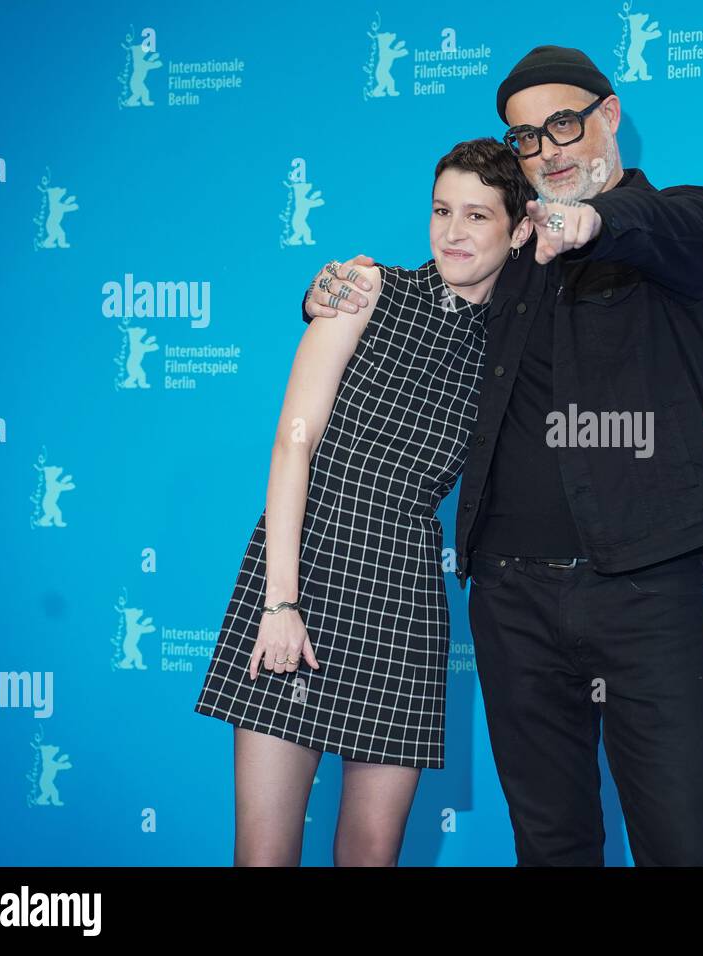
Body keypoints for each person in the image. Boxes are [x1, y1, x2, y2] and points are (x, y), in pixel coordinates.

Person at [301, 46, 703, 866]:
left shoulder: (684, 223)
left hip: (644, 588)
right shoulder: (507, 259)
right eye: (525, 138)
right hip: (511, 602)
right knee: (550, 845)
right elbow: (427, 283)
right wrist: (334, 288)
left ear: (608, 117)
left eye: (563, 124)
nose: (547, 148)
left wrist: (596, 220)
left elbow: (670, 227)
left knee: (684, 843)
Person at [194, 138, 534, 866]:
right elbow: (295, 442)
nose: (453, 232)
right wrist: (279, 604)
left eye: (478, 215)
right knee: (263, 853)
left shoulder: (516, 346)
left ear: (519, 228)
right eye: (442, 210)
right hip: (306, 567)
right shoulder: (367, 287)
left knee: (372, 853)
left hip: (404, 593)